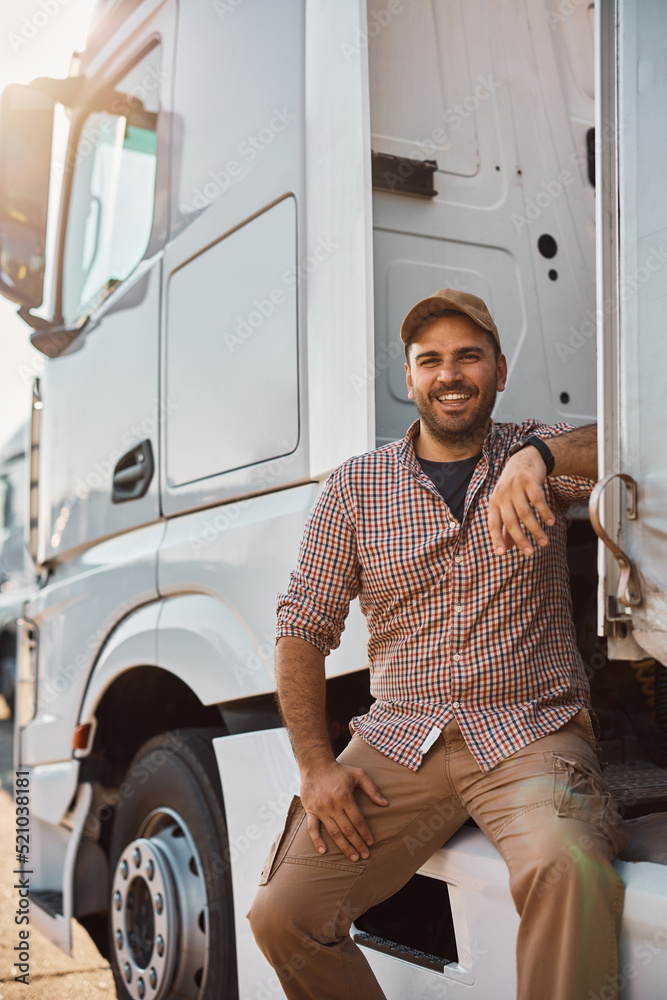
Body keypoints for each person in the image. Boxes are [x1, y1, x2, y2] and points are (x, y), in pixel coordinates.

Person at [248, 288, 628, 1000]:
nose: (449, 375)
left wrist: (538, 457)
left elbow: (630, 440)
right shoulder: (355, 487)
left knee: (566, 867)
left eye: (468, 357)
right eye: (431, 360)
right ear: (410, 376)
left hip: (527, 732)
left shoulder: (534, 454)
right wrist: (316, 767)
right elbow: (302, 626)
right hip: (398, 743)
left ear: (499, 370)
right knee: (283, 915)